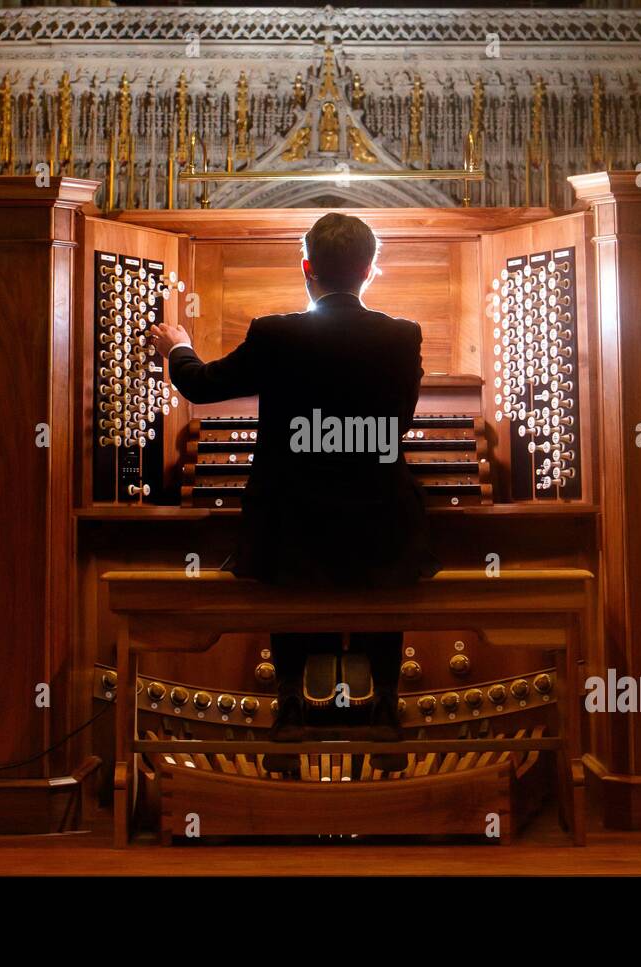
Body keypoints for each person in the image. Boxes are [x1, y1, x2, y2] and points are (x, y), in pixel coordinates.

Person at [148, 212, 439, 754]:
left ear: (307, 269)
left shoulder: (274, 333)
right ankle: (383, 713)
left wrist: (178, 346)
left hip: (291, 528)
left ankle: (291, 711)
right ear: (371, 271)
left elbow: (200, 387)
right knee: (377, 567)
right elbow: (397, 422)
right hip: (380, 525)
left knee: (294, 559)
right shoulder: (403, 336)